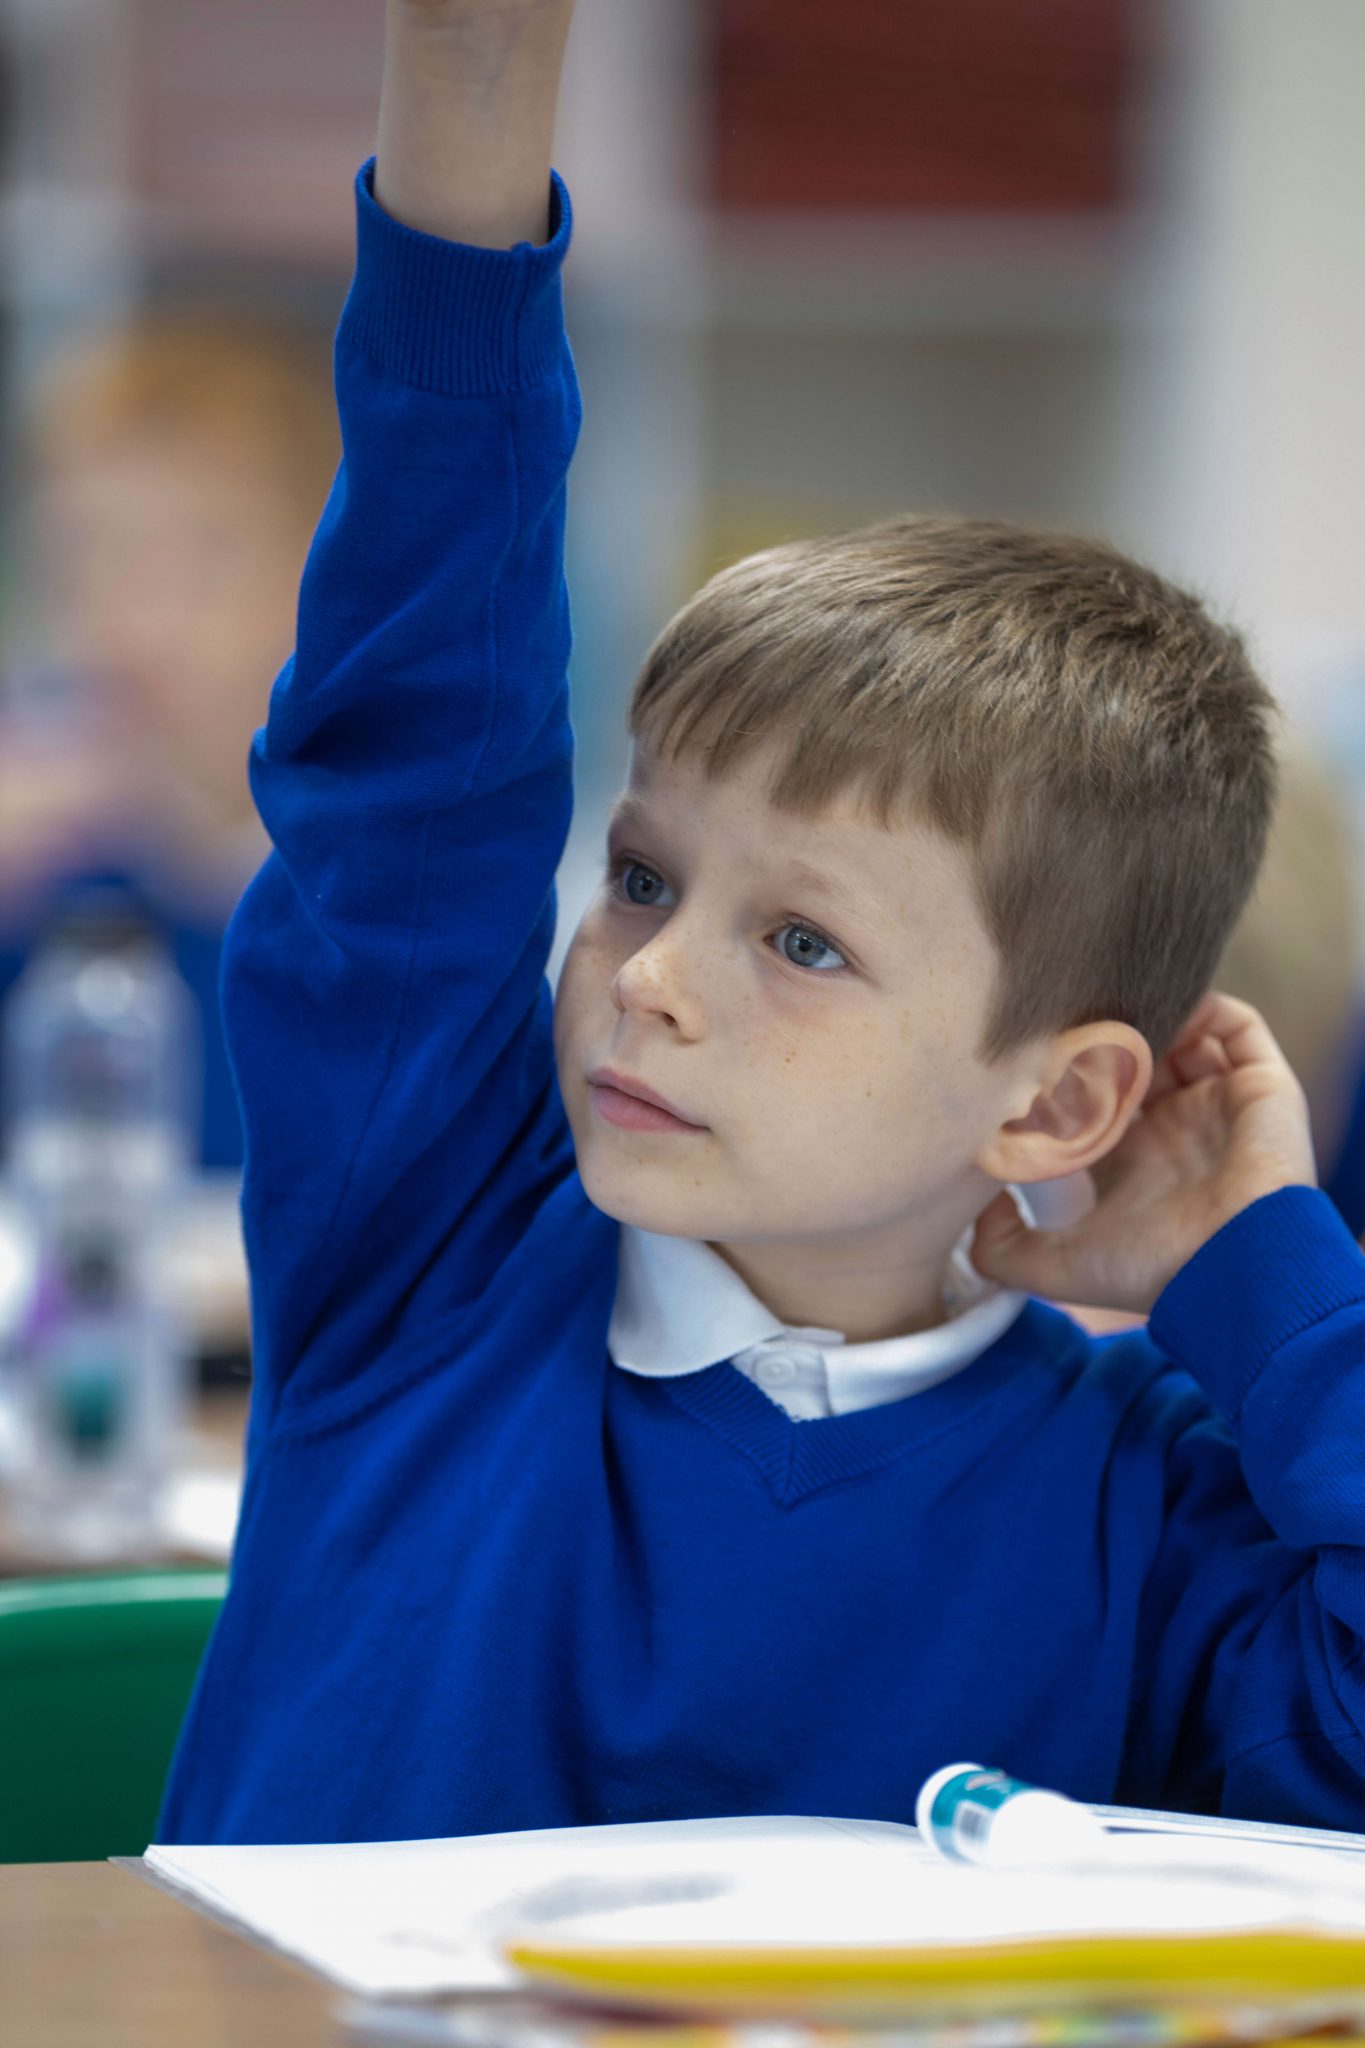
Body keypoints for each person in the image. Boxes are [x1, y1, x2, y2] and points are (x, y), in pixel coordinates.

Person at [156, 0, 1365, 1848]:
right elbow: (415, 744)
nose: (647, 975)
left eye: (801, 942)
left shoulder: (1147, 1500)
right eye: (643, 873)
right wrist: (470, 125)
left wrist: (1264, 1274)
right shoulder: (431, 1246)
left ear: (1052, 1106)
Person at [0, 308, 339, 1169]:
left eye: (198, 559)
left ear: (325, 583)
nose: (131, 616)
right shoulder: (43, 860)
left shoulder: (365, 873)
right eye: (85, 558)